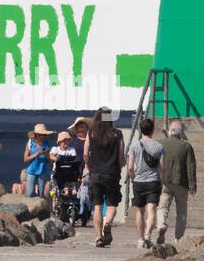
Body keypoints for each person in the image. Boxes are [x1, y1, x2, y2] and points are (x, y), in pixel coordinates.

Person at [84, 106, 124, 248]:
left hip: (95, 174)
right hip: (111, 174)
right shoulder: (117, 134)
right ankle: (107, 224)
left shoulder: (91, 133)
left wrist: (88, 166)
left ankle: (99, 238)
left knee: (97, 207)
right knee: (112, 204)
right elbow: (121, 156)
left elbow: (85, 152)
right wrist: (120, 166)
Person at [156, 121, 197, 244]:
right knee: (181, 211)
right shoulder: (186, 146)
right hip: (181, 183)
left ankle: (161, 225)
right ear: (181, 132)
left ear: (169, 131)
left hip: (164, 181)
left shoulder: (161, 144)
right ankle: (178, 238)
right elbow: (191, 167)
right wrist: (192, 186)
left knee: (162, 207)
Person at [127, 116, 164, 250]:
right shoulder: (159, 146)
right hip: (153, 181)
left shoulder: (134, 145)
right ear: (152, 130)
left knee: (139, 212)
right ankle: (148, 234)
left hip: (139, 182)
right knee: (152, 209)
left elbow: (130, 166)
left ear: (140, 130)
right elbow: (162, 167)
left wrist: (133, 178)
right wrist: (161, 181)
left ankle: (140, 239)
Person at [23, 124, 53, 197]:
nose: (44, 136)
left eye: (45, 135)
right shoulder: (30, 144)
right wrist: (36, 154)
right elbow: (25, 159)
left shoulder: (48, 144)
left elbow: (50, 160)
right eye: (41, 134)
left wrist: (46, 154)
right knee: (29, 193)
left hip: (43, 170)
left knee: (41, 193)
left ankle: (41, 207)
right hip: (31, 170)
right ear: (37, 135)